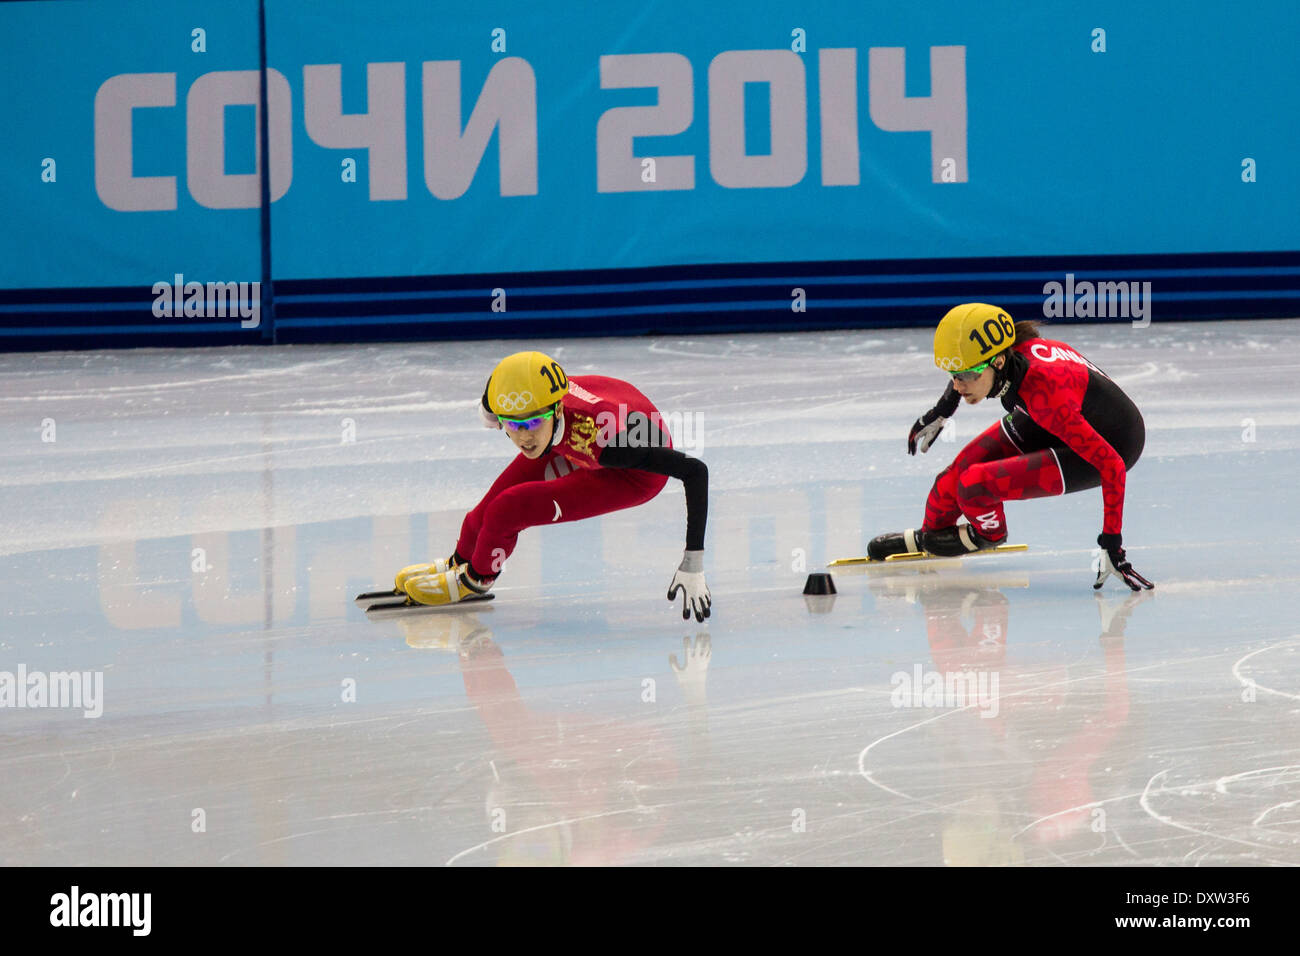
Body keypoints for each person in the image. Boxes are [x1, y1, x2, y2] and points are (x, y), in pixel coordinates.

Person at [395, 350, 712, 620]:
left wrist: (692, 562)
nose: (524, 437)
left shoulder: (611, 440)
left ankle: (476, 580)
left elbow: (695, 471)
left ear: (558, 408)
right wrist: (531, 422)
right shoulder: (500, 400)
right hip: (572, 438)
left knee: (508, 509)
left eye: (532, 422)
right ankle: (460, 563)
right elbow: (522, 416)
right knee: (483, 511)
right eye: (514, 425)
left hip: (629, 472)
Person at [869, 303, 1154, 591]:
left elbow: (1112, 465)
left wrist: (1112, 546)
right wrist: (942, 410)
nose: (958, 385)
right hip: (1060, 414)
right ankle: (930, 535)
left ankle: (989, 535)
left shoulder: (1045, 396)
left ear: (999, 363)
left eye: (968, 376)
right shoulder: (1010, 352)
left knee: (975, 485)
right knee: (953, 476)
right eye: (953, 374)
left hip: (1114, 443)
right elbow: (965, 366)